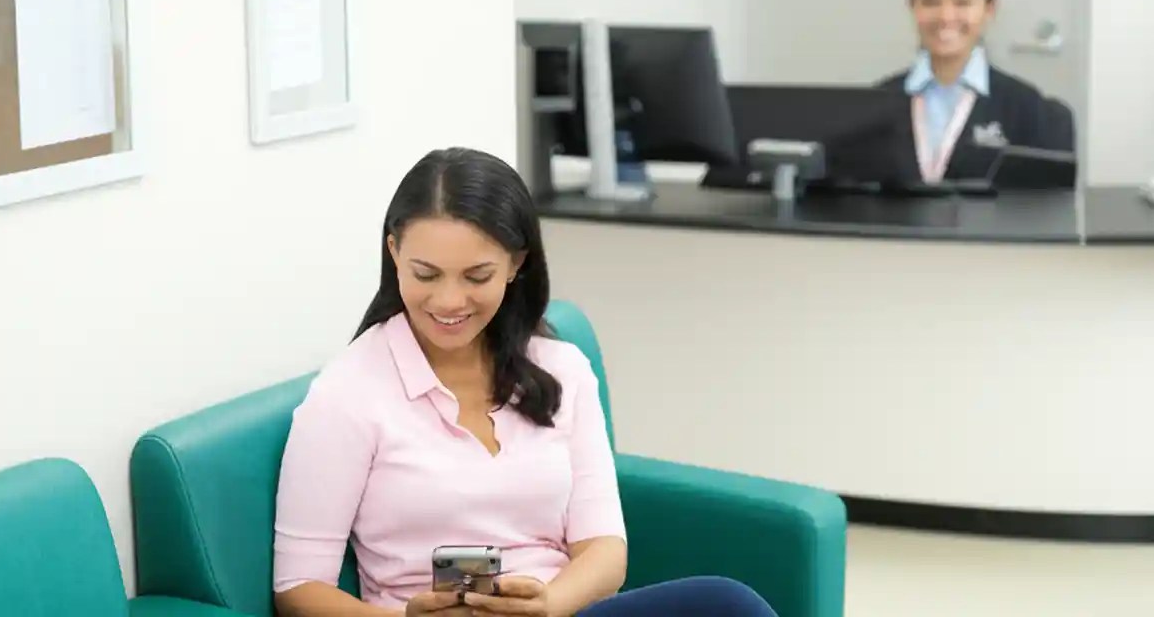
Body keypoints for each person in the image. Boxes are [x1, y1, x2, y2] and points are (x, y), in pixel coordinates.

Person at [271, 147, 776, 617]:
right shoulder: (347, 394)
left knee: (728, 604)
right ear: (394, 254)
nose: (449, 301)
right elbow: (297, 588)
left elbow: (603, 549)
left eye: (476, 276)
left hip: (554, 612)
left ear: (516, 264)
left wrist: (546, 605)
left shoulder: (563, 369)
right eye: (426, 274)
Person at [877, 0, 1074, 187]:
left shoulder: (1031, 112)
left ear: (989, 9)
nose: (946, 16)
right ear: (912, 6)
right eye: (930, 1)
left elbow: (1049, 212)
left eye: (962, 2)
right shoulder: (874, 104)